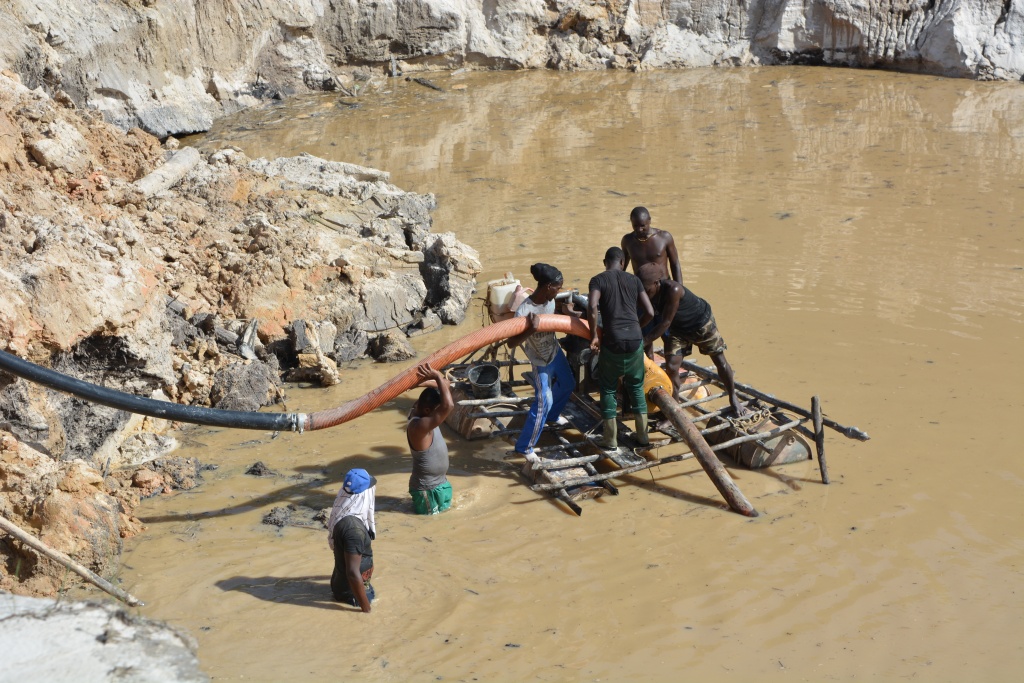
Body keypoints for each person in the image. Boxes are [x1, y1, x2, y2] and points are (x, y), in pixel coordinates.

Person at [638, 262, 750, 416]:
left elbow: (665, 323)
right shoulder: (647, 293)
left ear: (657, 283)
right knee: (671, 367)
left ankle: (733, 397)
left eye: (647, 289)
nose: (644, 293)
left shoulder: (673, 290)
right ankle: (674, 410)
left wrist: (642, 342)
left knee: (719, 361)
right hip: (678, 329)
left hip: (701, 323)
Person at [587, 247, 655, 450]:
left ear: (604, 262)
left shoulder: (598, 280)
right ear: (623, 263)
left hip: (613, 340)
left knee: (608, 388)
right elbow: (650, 312)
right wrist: (636, 328)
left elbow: (592, 306)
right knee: (636, 387)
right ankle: (643, 437)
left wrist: (593, 335)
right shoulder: (634, 280)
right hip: (635, 340)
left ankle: (610, 440)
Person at [505, 263, 576, 456]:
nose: (559, 291)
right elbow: (511, 343)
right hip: (539, 361)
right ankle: (524, 447)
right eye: (558, 288)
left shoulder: (551, 302)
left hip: (555, 352)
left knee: (568, 384)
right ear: (548, 286)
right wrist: (531, 329)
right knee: (544, 401)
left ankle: (552, 416)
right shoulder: (524, 311)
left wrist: (569, 312)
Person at [406, 362, 455, 515]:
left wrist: (424, 382)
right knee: (430, 523)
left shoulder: (420, 411)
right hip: (427, 489)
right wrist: (437, 376)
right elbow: (448, 405)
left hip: (440, 483)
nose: (440, 415)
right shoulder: (419, 426)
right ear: (428, 410)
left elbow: (446, 385)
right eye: (437, 411)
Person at [327, 468, 377, 612]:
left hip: (348, 587)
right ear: (364, 495)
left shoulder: (344, 513)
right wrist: (366, 609)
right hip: (352, 596)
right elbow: (352, 573)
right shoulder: (353, 530)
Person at [621, 206, 682, 284]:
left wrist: (680, 287)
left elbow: (675, 264)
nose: (639, 230)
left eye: (642, 225)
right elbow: (622, 267)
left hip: (662, 285)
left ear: (649, 221)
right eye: (635, 226)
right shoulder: (628, 241)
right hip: (640, 287)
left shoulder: (664, 237)